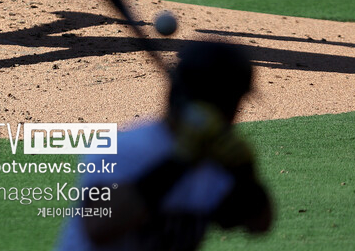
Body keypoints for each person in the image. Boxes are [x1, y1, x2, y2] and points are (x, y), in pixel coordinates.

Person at [55, 40, 274, 250]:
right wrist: (180, 161)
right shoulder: (122, 148)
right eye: (234, 103)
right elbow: (99, 227)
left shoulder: (217, 158)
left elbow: (259, 223)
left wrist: (245, 174)